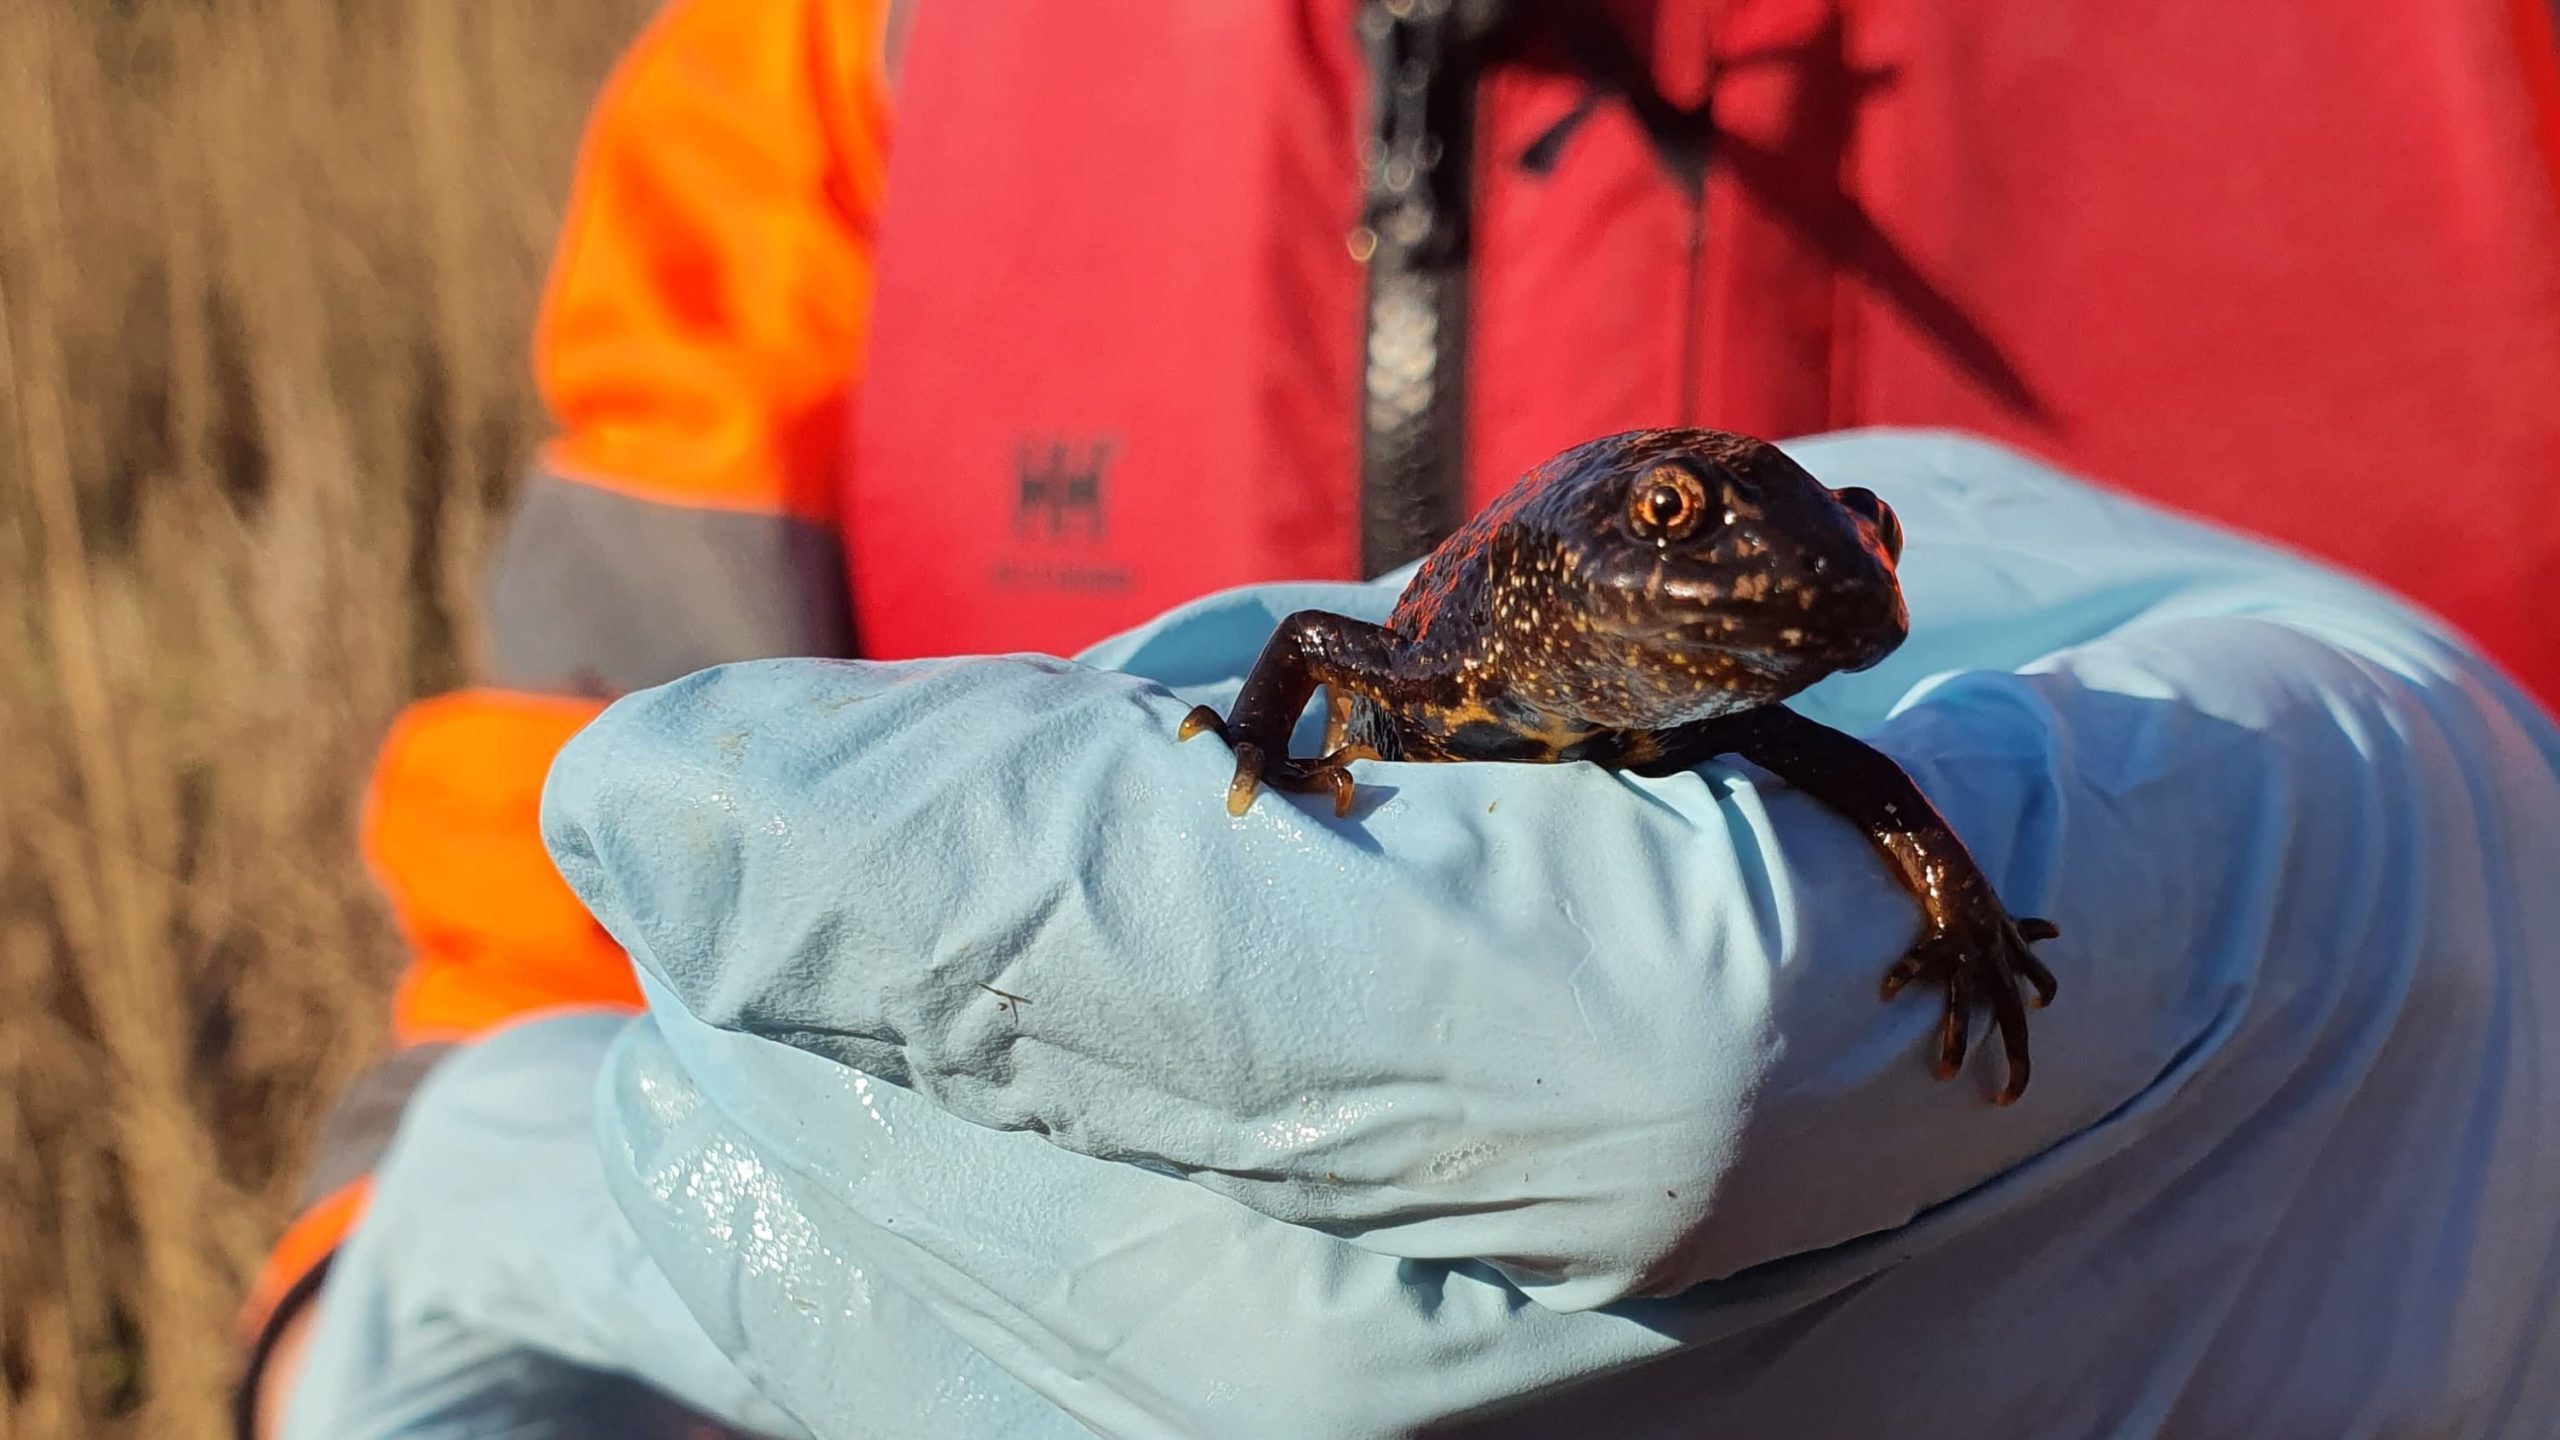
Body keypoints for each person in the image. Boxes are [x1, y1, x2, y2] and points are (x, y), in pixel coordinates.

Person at [238, 0, 2560, 1435]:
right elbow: (618, 789)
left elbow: (1845, 776)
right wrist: (402, 1262)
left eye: (1829, 545)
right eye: (1691, 519)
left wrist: (2483, 1150)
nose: (1800, 572)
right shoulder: (838, 54)